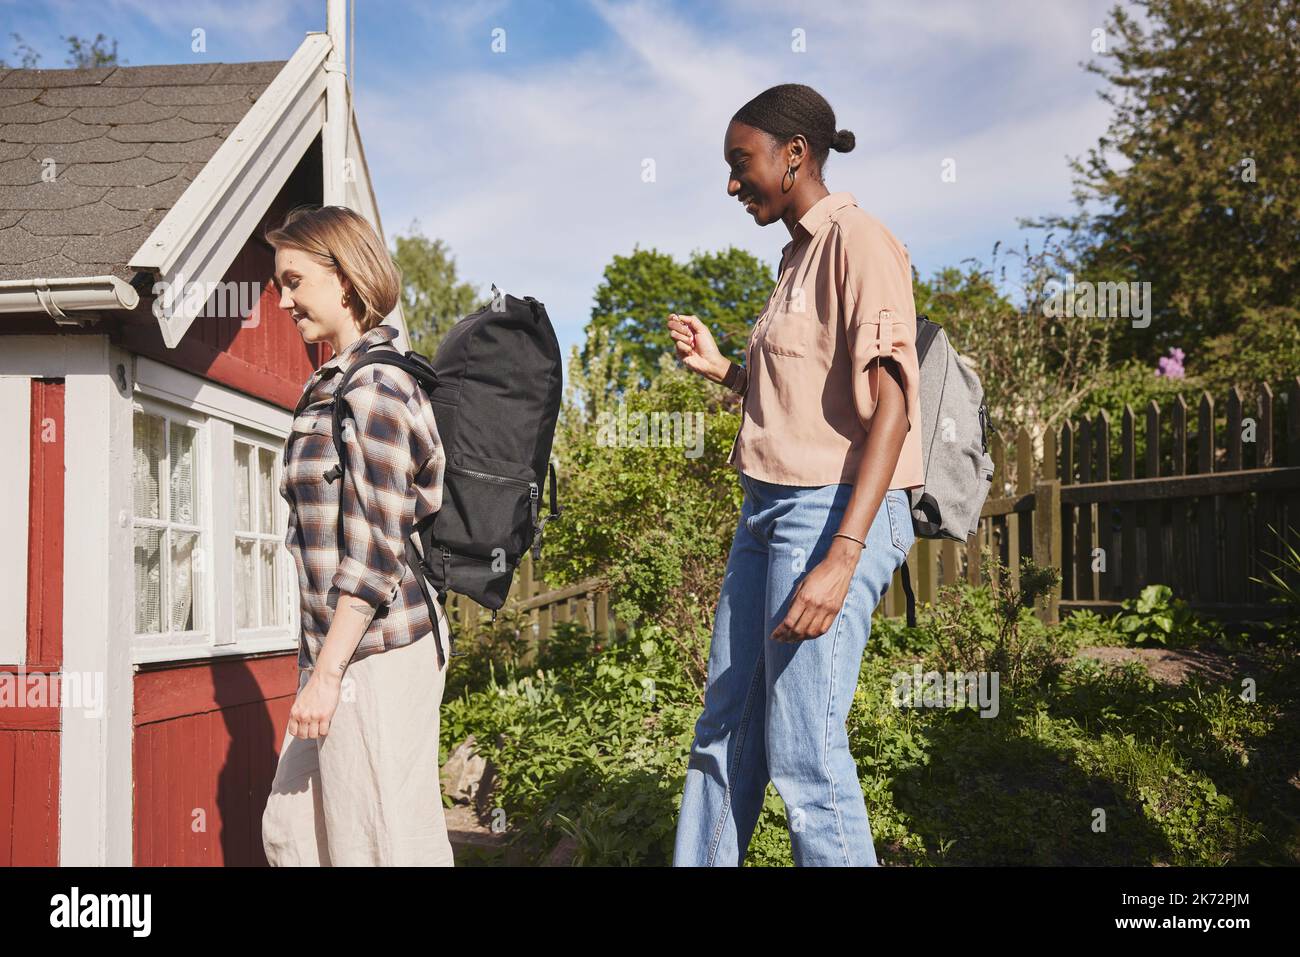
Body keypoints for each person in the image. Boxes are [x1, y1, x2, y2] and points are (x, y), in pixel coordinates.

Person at [668, 84, 923, 866]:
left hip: (833, 511)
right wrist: (722, 371)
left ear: (795, 154)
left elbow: (891, 408)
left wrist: (841, 555)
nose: (732, 182)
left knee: (804, 748)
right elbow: (808, 397)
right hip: (767, 510)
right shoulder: (795, 257)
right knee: (725, 729)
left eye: (740, 162)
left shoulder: (859, 242)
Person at [259, 204, 454, 867]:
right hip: (337, 652)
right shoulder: (335, 384)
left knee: (381, 845)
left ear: (344, 279)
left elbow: (373, 552)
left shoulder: (374, 389)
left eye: (293, 280)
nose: (282, 299)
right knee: (294, 831)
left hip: (377, 650)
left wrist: (328, 673)